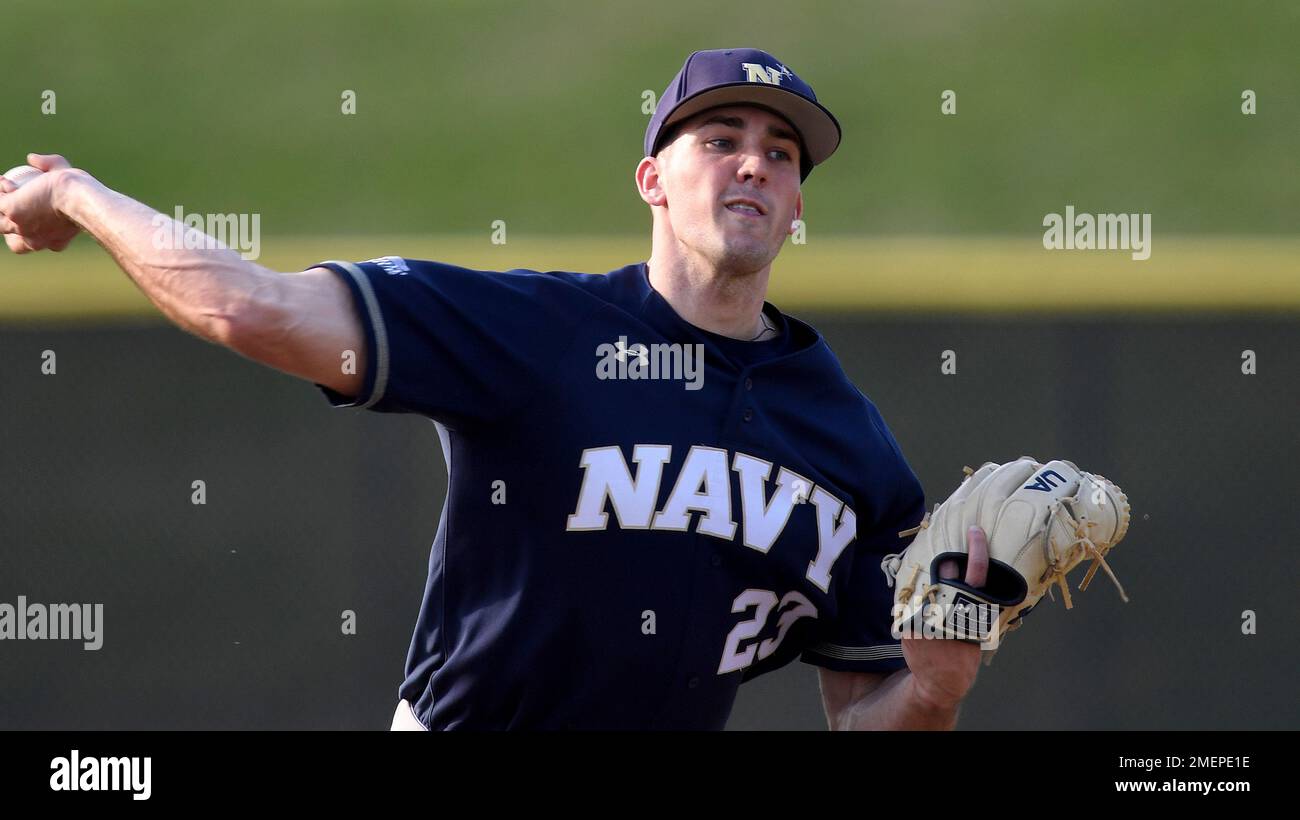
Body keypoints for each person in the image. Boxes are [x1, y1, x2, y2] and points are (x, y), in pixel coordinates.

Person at [0, 47, 989, 730]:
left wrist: (935, 692)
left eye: (781, 155)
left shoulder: (848, 441)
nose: (753, 165)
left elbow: (870, 714)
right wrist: (81, 194)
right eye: (719, 139)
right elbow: (250, 310)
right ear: (651, 179)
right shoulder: (533, 333)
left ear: (796, 207)